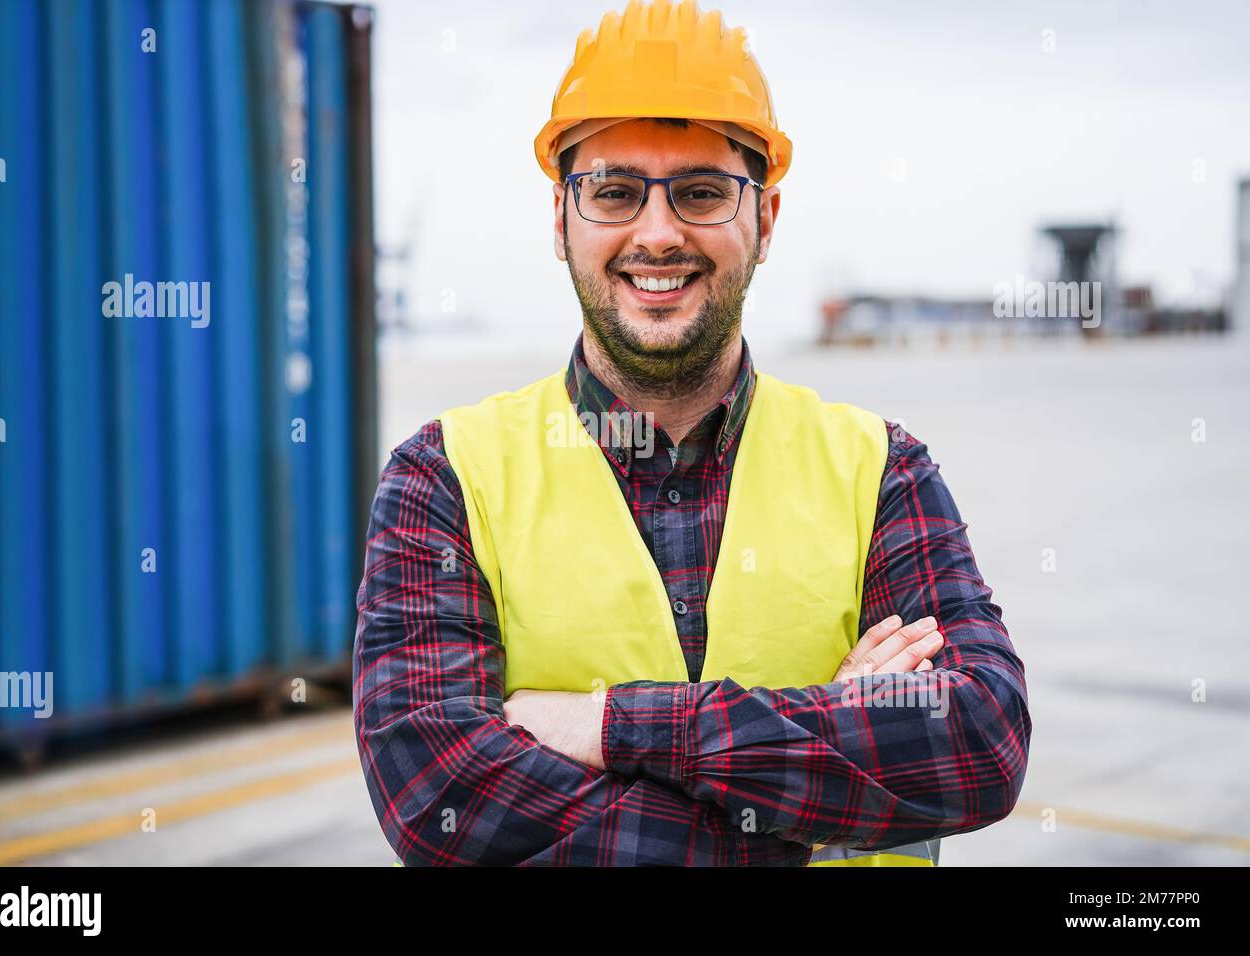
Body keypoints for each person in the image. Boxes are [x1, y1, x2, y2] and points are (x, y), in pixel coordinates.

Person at [352, 0, 1031, 866]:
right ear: (561, 221)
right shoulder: (444, 477)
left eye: (704, 192)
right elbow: (441, 800)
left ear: (767, 222)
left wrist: (607, 726)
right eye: (615, 191)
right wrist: (815, 786)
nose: (660, 232)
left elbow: (977, 744)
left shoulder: (880, 468)